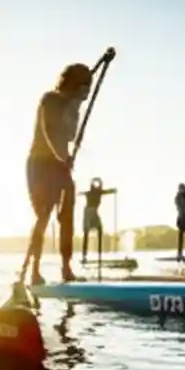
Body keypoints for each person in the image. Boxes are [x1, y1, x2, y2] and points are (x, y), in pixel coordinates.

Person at [23, 62, 92, 284]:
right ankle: (34, 271)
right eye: (84, 88)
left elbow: (70, 137)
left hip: (61, 167)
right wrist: (61, 158)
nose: (87, 93)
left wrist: (73, 109)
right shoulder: (50, 99)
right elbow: (49, 131)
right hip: (41, 165)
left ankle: (66, 267)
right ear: (74, 84)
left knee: (67, 214)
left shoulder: (73, 107)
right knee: (43, 215)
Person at [80, 177, 116, 263]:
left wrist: (113, 190)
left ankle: (98, 255)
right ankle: (84, 255)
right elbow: (106, 191)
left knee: (99, 229)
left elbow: (107, 191)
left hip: (93, 212)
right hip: (88, 212)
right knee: (87, 233)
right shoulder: (94, 192)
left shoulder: (97, 192)